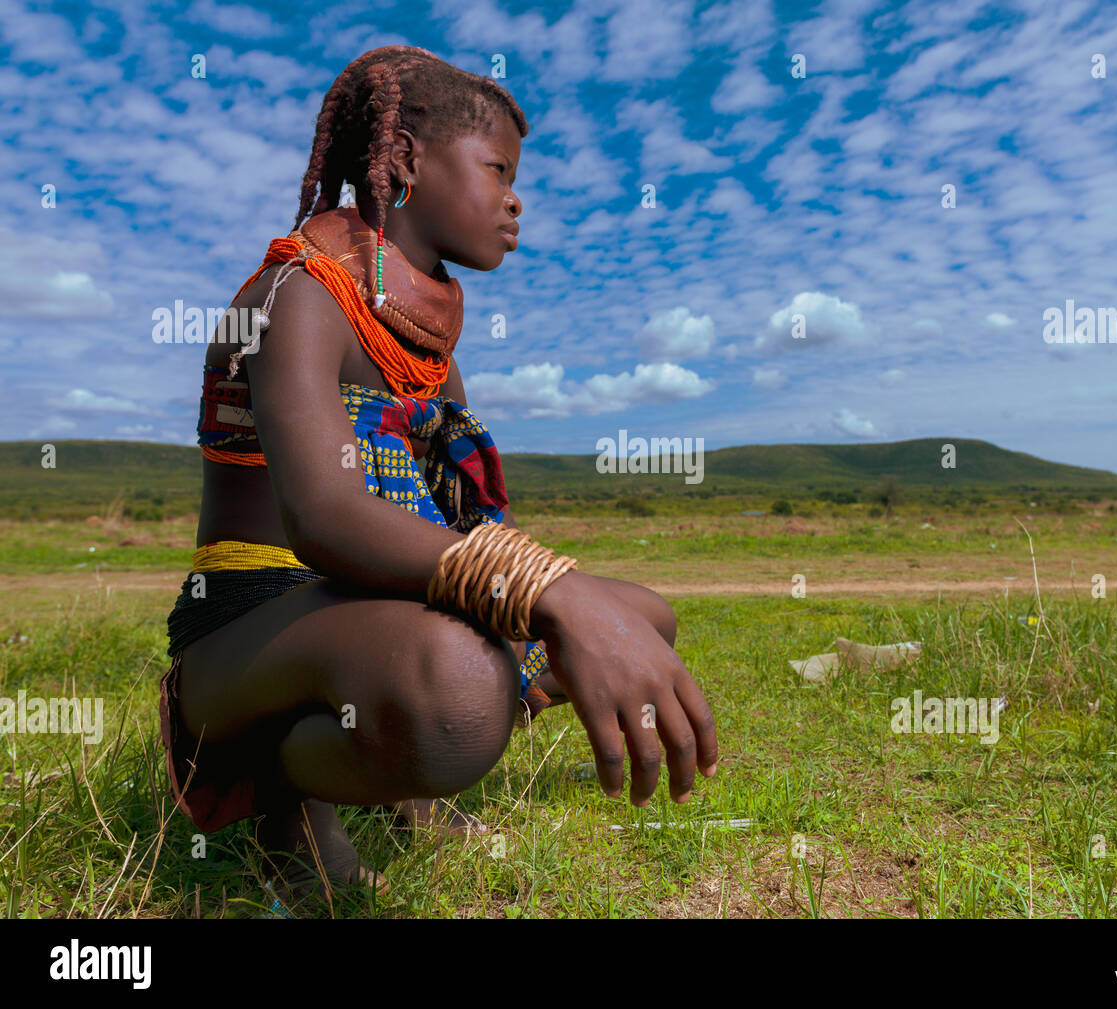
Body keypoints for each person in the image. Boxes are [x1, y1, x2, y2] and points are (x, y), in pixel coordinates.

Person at [159, 45, 718, 910]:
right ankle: (283, 798)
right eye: (497, 169)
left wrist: (561, 603)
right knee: (462, 679)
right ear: (411, 161)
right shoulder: (296, 295)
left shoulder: (429, 355)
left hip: (376, 611)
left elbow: (464, 525)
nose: (514, 196)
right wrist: (551, 594)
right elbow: (326, 516)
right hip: (255, 628)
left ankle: (403, 766)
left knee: (641, 616)